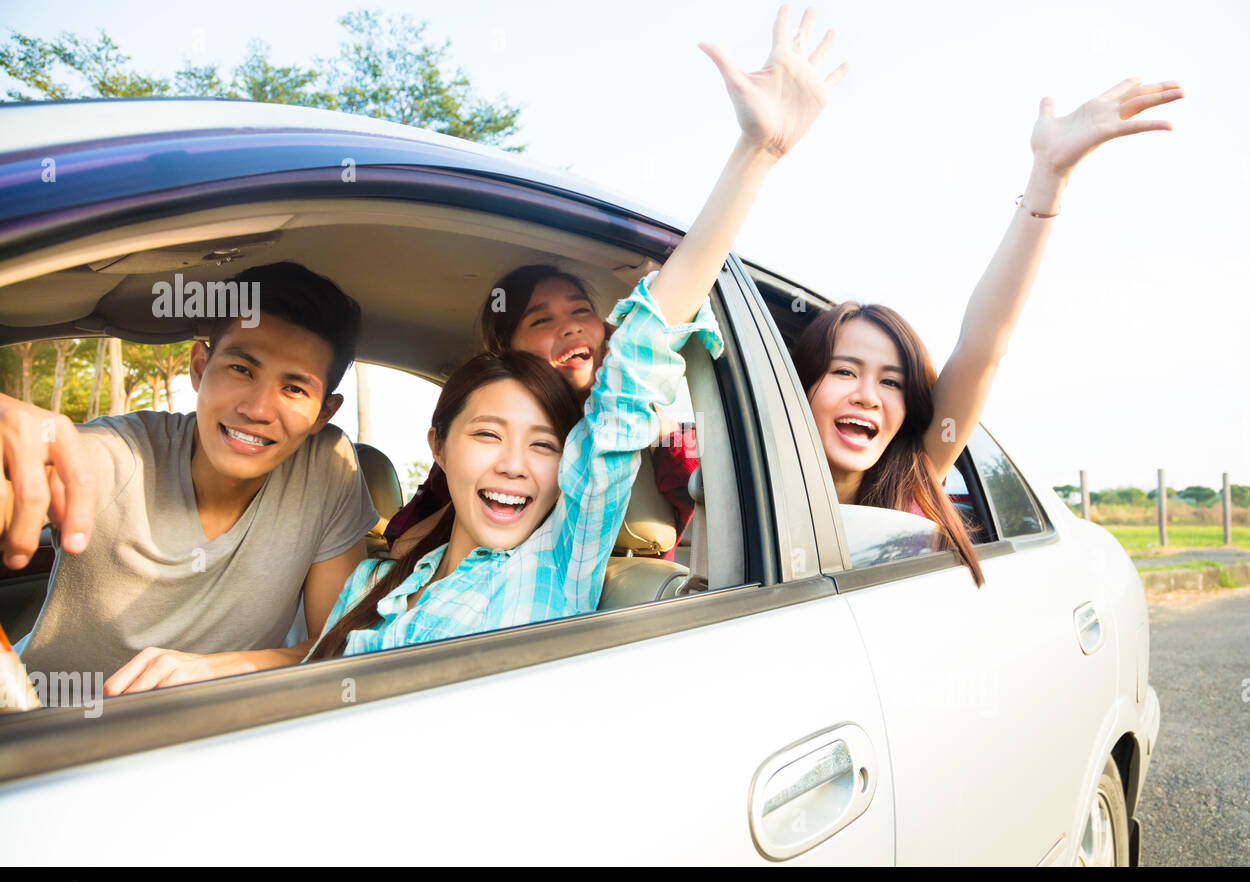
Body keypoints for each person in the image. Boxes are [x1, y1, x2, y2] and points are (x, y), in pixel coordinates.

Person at [307, 5, 848, 658]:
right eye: (486, 434)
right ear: (439, 447)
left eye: (543, 445)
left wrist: (758, 152)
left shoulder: (559, 556)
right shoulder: (370, 581)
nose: (512, 464)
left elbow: (642, 354)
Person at [792, 77, 1184, 586]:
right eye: (845, 371)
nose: (869, 397)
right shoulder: (753, 492)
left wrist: (1049, 176)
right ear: (799, 386)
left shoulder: (918, 473)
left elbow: (982, 348)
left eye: (891, 382)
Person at [2, 261, 378, 694]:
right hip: (40, 729)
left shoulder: (325, 467)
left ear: (323, 413)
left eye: (294, 388)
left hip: (203, 740)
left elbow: (336, 644)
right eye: (241, 369)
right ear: (200, 367)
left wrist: (227, 667)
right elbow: (33, 472)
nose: (257, 410)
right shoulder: (124, 453)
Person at [386, 264, 699, 562]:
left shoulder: (647, 428)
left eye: (581, 311)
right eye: (541, 321)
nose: (571, 326)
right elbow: (404, 546)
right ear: (507, 352)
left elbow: (712, 487)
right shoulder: (482, 452)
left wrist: (650, 416)